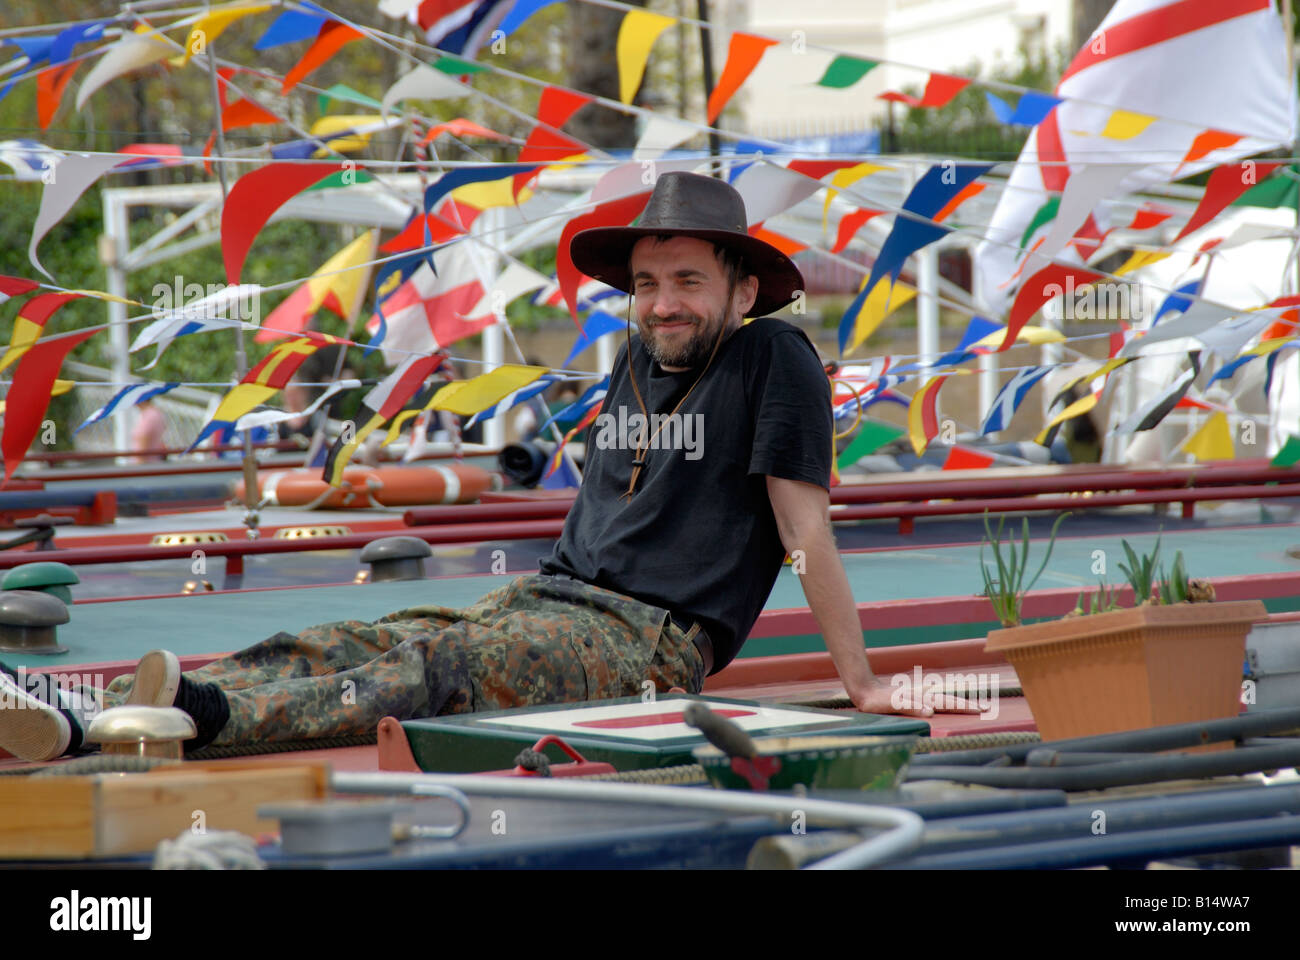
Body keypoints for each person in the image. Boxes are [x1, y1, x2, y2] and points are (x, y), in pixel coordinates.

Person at [0, 172, 970, 763]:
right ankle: (107, 700)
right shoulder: (637, 354)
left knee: (440, 667)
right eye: (645, 283)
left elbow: (805, 532)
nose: (660, 302)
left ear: (742, 288)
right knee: (355, 633)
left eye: (686, 281)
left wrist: (862, 682)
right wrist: (538, 596)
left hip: (653, 647)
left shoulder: (774, 356)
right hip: (555, 600)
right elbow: (608, 519)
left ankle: (178, 721)